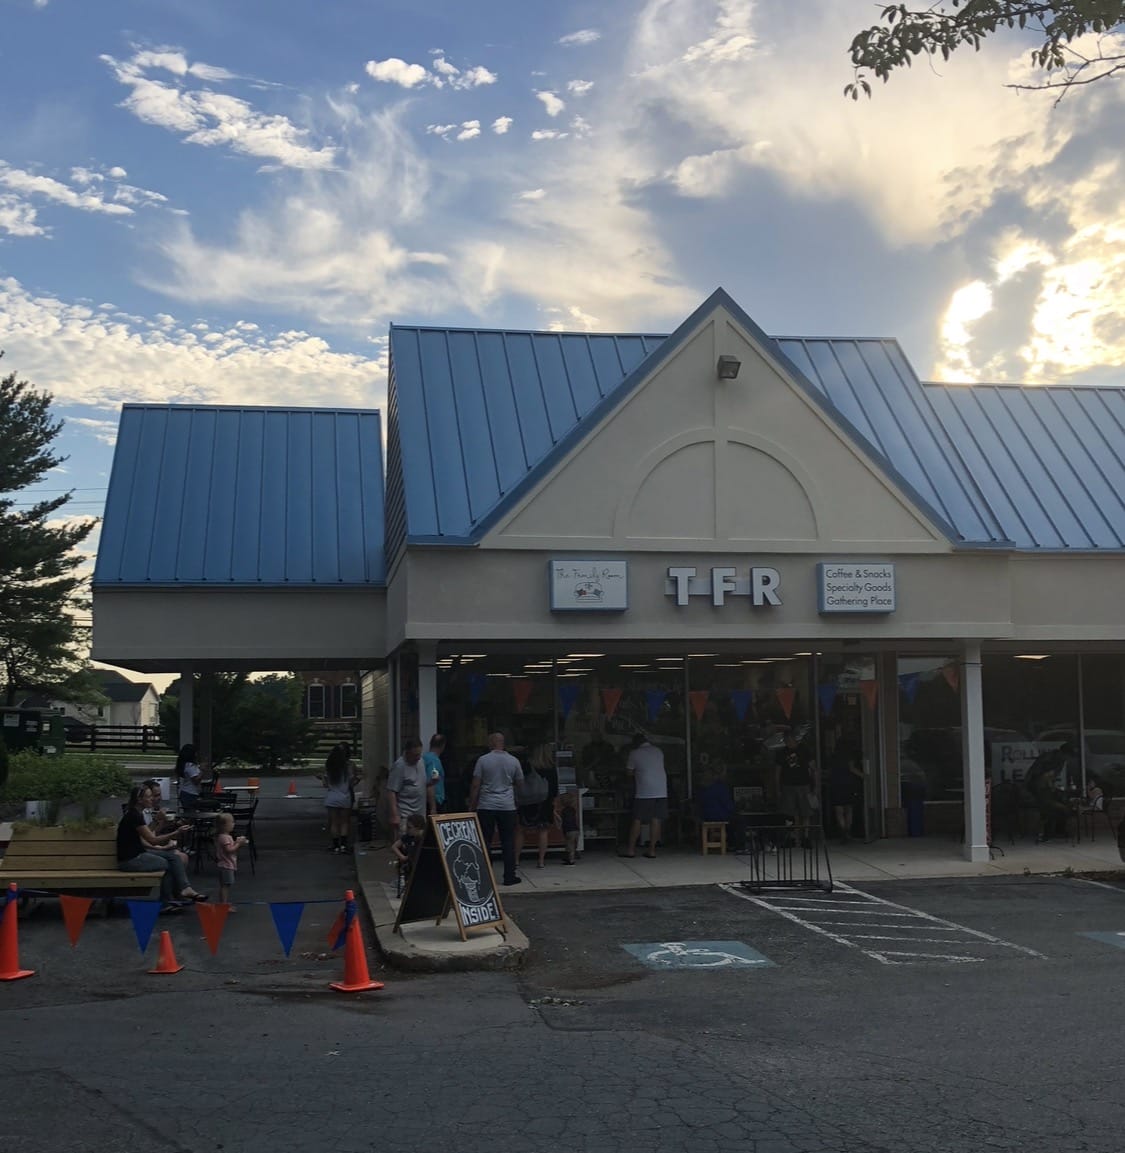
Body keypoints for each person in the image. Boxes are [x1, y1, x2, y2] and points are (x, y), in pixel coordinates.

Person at [116, 784, 207, 907]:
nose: (152, 799)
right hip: (131, 860)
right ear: (139, 800)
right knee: (167, 864)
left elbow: (146, 833)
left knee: (174, 857)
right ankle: (166, 901)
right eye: (149, 796)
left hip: (138, 853)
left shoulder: (136, 813)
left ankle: (184, 890)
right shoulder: (134, 815)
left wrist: (156, 821)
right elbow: (153, 840)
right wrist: (176, 833)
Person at [468, 732, 524, 886]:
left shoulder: (483, 760)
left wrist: (472, 805)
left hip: (486, 805)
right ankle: (509, 876)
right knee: (508, 841)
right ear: (503, 743)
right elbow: (520, 783)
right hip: (507, 806)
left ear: (491, 743)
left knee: (485, 841)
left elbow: (475, 784)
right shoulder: (513, 761)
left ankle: (485, 876)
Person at [622, 732, 667, 859]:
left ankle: (631, 850)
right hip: (661, 790)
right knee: (656, 819)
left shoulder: (635, 753)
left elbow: (629, 773)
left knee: (637, 819)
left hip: (644, 791)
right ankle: (652, 850)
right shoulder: (658, 751)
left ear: (635, 743)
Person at [515, 744, 556, 869]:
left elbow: (518, 782)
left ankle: (516, 859)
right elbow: (554, 789)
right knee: (543, 831)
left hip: (527, 801)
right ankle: (541, 861)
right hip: (545, 802)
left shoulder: (526, 765)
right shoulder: (551, 768)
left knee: (520, 830)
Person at [388, 738, 435, 838]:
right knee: (405, 841)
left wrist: (432, 807)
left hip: (420, 814)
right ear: (407, 753)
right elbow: (392, 791)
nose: (418, 757)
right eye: (415, 755)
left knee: (420, 841)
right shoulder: (400, 766)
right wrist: (395, 815)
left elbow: (423, 784)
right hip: (406, 814)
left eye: (419, 754)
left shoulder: (421, 761)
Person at [776, 730, 816, 839]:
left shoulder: (804, 750)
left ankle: (806, 836)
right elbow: (778, 771)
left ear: (794, 739)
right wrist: (778, 788)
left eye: (789, 740)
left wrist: (815, 784)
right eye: (786, 741)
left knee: (806, 812)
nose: (788, 743)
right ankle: (792, 836)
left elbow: (813, 767)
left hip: (804, 785)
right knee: (789, 813)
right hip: (788, 785)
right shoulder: (782, 752)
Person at [696, 765, 746, 851]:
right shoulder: (720, 787)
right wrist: (737, 809)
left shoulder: (701, 789)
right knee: (740, 820)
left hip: (706, 816)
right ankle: (740, 846)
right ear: (715, 776)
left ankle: (731, 844)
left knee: (732, 821)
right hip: (719, 815)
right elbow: (728, 805)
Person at [321, 744, 358, 853]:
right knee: (344, 822)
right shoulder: (348, 768)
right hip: (345, 797)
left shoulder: (330, 768)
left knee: (334, 822)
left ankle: (335, 845)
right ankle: (344, 845)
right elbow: (351, 783)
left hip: (332, 797)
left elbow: (325, 784)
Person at [828, 738, 863, 844]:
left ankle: (843, 832)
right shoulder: (849, 756)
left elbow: (829, 770)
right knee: (848, 809)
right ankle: (848, 831)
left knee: (839, 810)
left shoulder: (833, 757)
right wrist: (864, 775)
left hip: (836, 784)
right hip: (848, 784)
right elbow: (852, 769)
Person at [214, 812, 248, 908]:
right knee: (225, 886)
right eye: (232, 822)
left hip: (225, 864)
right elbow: (229, 850)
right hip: (226, 865)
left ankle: (223, 903)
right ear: (224, 825)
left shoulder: (224, 837)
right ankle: (223, 905)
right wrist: (238, 844)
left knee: (224, 885)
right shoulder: (225, 838)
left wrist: (236, 842)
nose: (233, 824)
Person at [175, 743, 204, 813]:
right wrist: (202, 771)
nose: (196, 754)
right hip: (190, 793)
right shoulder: (190, 766)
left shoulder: (187, 765)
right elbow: (196, 781)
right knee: (191, 814)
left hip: (189, 792)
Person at [423, 734, 447, 812]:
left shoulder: (424, 758)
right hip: (434, 800)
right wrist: (433, 808)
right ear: (443, 746)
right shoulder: (434, 761)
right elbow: (431, 783)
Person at [558, 791, 580, 865]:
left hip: (568, 830)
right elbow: (575, 819)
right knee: (573, 846)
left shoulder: (563, 811)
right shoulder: (573, 810)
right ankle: (571, 858)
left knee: (569, 846)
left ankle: (571, 860)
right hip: (575, 830)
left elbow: (562, 820)